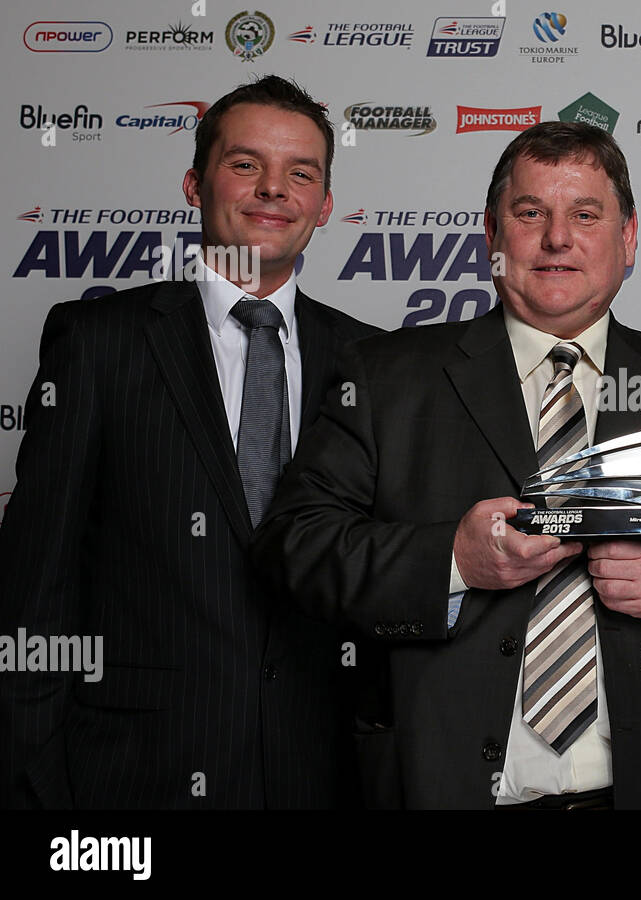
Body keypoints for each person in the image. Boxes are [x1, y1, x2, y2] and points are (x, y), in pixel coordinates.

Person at [252, 121, 641, 809]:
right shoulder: (385, 378)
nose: (559, 239)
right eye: (531, 214)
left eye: (586, 215)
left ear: (630, 238)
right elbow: (295, 547)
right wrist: (455, 562)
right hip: (440, 786)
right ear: (493, 236)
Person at [0, 75, 378, 808]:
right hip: (134, 777)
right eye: (245, 165)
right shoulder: (98, 345)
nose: (274, 189)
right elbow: (32, 598)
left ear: (325, 204)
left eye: (301, 173)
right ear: (194, 183)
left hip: (325, 773)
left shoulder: (374, 363)